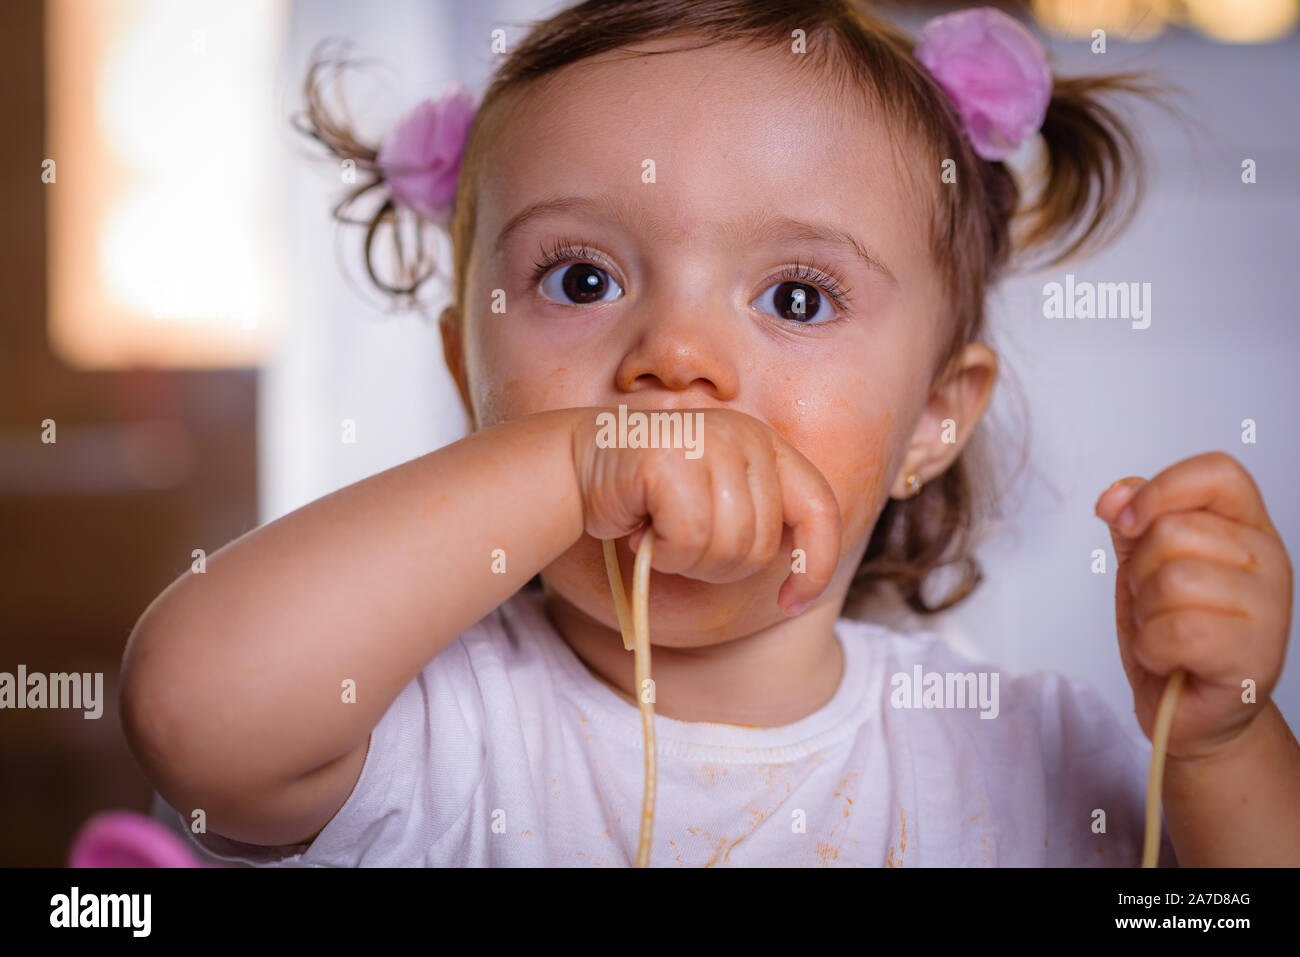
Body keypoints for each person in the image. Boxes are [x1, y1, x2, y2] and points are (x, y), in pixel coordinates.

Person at [121, 1, 1298, 866]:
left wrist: (1215, 748)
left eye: (796, 297)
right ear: (463, 369)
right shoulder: (421, 725)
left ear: (934, 420)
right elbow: (192, 719)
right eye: (580, 278)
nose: (672, 355)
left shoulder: (1018, 753)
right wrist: (569, 465)